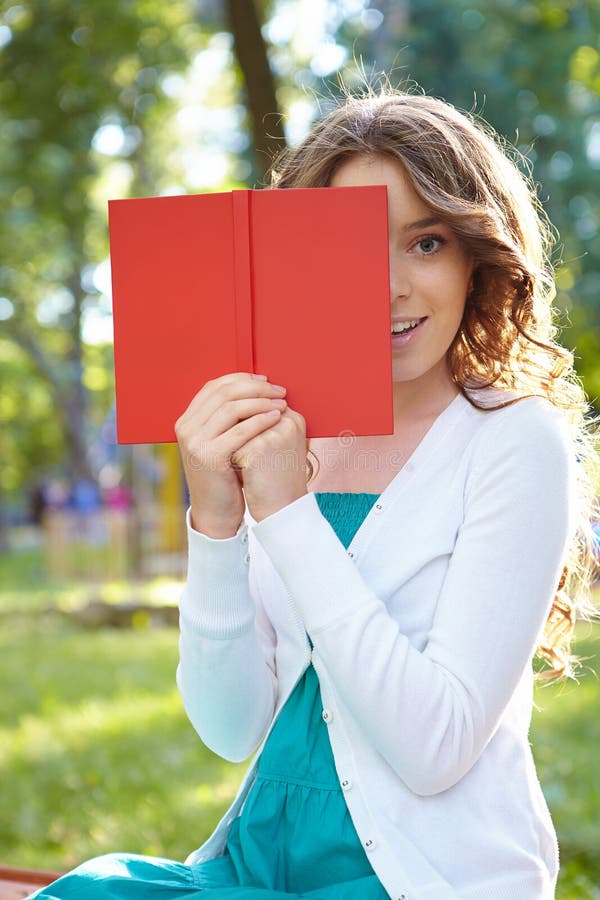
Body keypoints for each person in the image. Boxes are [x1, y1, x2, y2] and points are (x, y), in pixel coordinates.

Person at [29, 85, 599, 899]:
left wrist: (289, 511)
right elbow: (231, 731)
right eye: (355, 245)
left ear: (477, 257)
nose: (391, 286)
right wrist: (217, 520)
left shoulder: (513, 440)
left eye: (427, 243)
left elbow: (434, 747)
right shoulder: (289, 424)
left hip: (424, 878)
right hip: (261, 859)